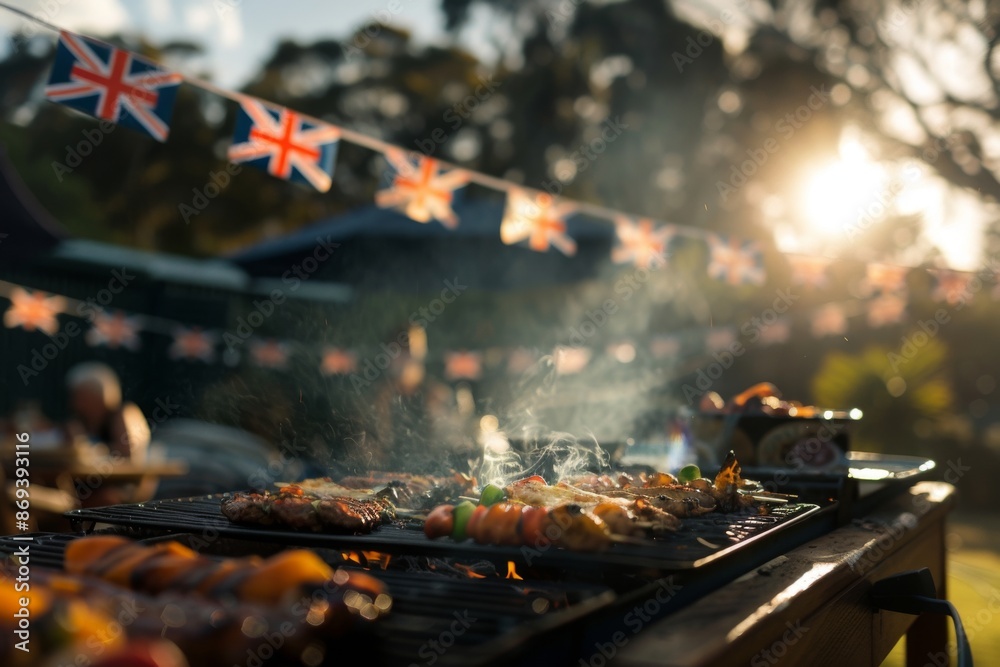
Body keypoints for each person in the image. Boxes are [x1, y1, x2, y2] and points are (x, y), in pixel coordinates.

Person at [64, 362, 152, 505]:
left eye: (79, 396)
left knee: (74, 503)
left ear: (97, 395)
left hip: (121, 486)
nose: (74, 402)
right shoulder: (81, 420)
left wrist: (92, 450)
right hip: (90, 483)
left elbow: (128, 454)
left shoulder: (122, 414)